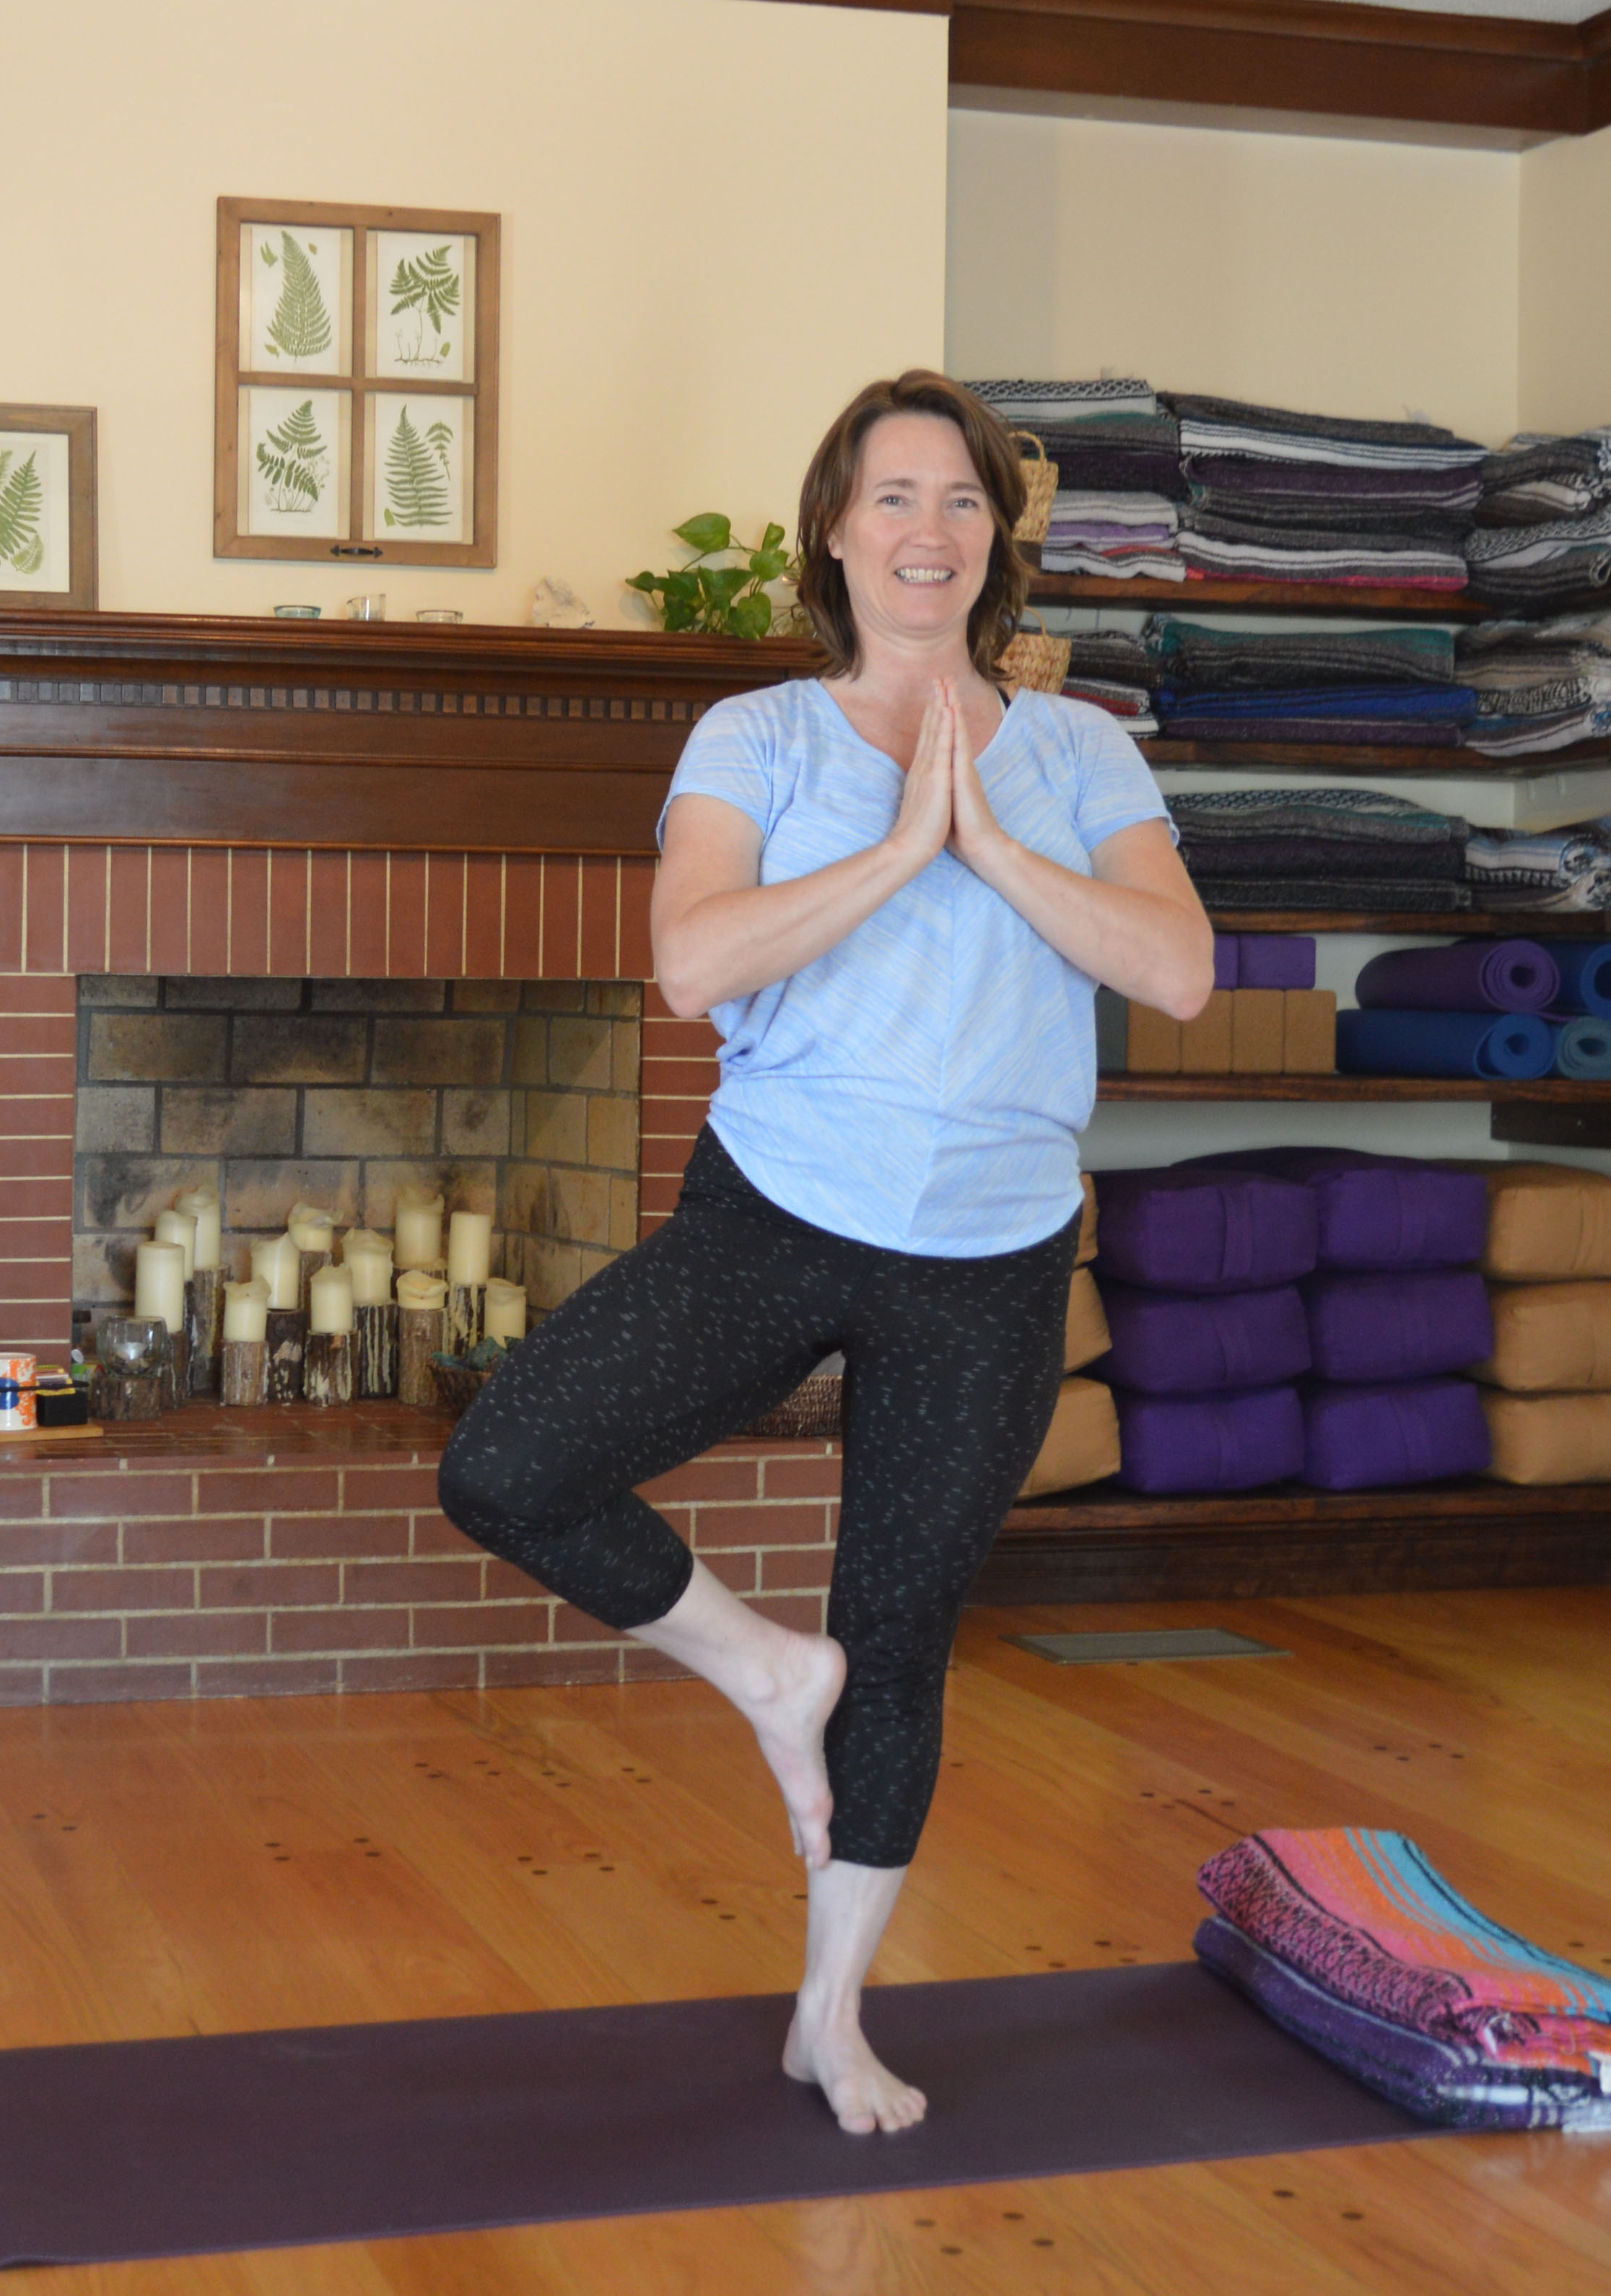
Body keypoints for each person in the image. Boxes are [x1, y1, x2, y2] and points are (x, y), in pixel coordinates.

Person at [438, 369, 1211, 2134]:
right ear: (837, 533)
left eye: (959, 500)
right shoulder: (761, 739)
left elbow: (1172, 969)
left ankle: (832, 2014)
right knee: (511, 1462)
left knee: (907, 1627)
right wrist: (901, 847)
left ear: (994, 539)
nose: (928, 530)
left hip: (994, 1254)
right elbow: (695, 964)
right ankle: (761, 1670)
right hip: (776, 1214)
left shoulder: (1088, 755)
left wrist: (993, 842)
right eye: (893, 498)